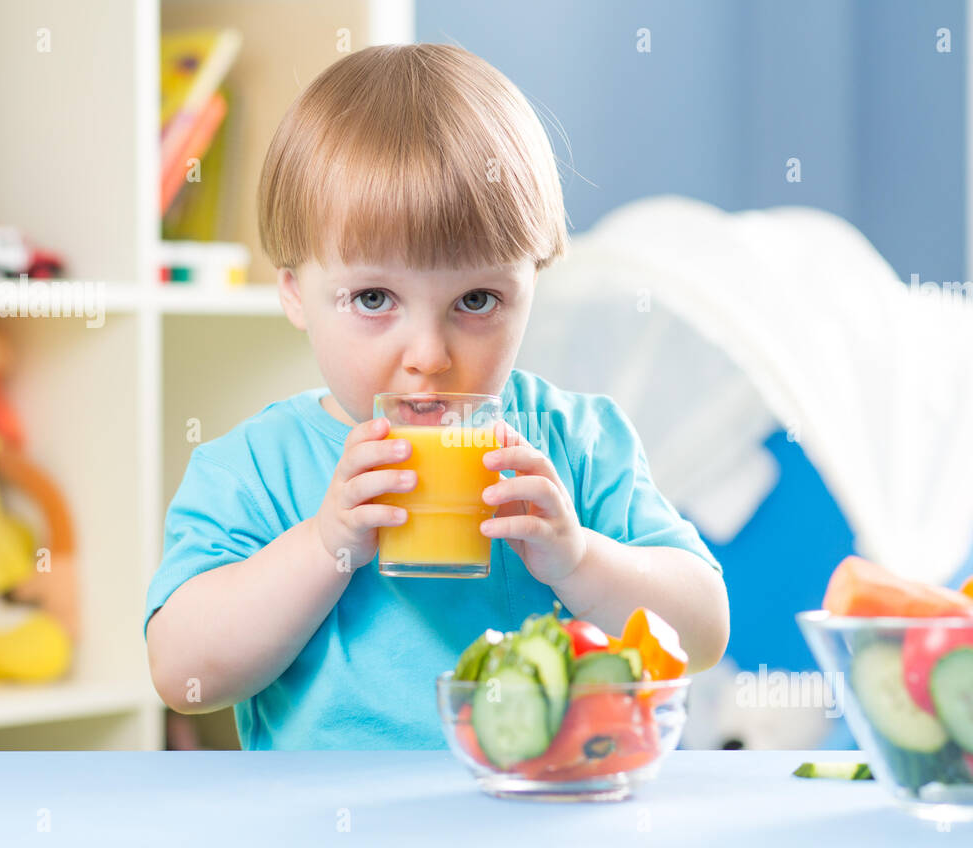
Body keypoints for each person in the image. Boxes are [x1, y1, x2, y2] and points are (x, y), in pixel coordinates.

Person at [145, 43, 728, 749]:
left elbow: (700, 635)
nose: (429, 356)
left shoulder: (576, 443)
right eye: (373, 297)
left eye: (476, 299)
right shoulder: (255, 469)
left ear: (533, 284)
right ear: (296, 292)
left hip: (536, 823)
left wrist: (578, 560)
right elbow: (183, 672)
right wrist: (324, 544)